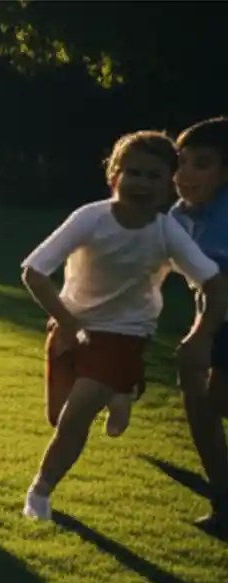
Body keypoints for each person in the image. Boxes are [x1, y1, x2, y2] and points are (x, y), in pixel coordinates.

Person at [19, 130, 225, 521]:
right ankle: (121, 393)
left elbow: (214, 285)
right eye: (133, 173)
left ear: (169, 184)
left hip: (125, 336)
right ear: (114, 175)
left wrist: (202, 335)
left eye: (153, 176)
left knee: (72, 421)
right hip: (72, 326)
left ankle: (40, 493)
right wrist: (67, 321)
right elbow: (34, 272)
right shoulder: (90, 218)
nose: (142, 184)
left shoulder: (168, 231)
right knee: (58, 415)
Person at [170, 116, 228, 532]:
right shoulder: (178, 216)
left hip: (218, 323)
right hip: (215, 322)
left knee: (213, 401)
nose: (185, 173)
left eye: (201, 163)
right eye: (182, 162)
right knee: (199, 401)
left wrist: (201, 334)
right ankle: (223, 499)